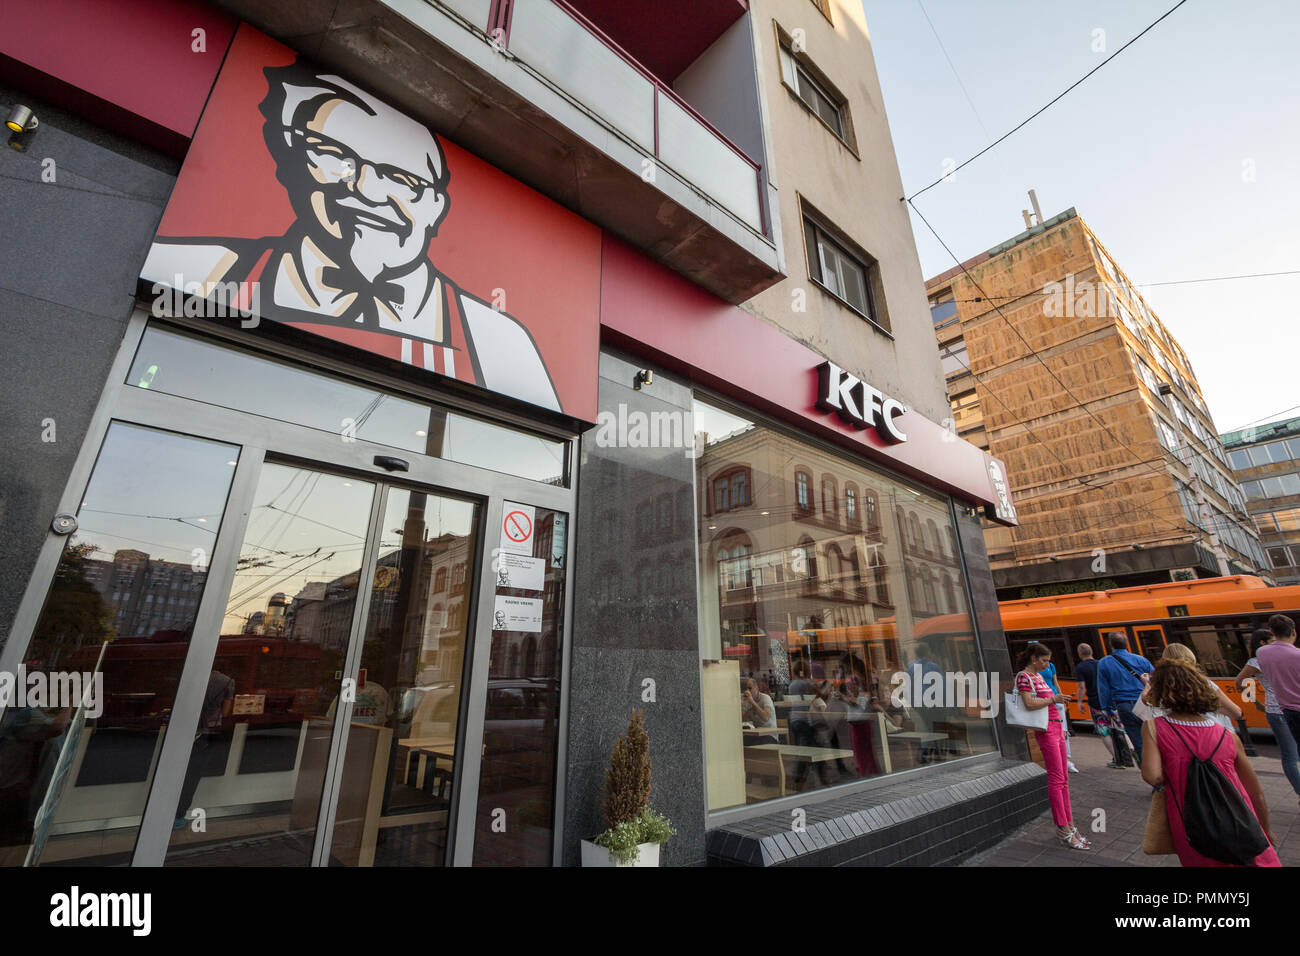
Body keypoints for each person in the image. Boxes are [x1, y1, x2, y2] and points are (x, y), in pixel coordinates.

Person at [142, 62, 561, 412]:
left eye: (402, 178)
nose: (367, 190)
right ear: (290, 165)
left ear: (437, 207)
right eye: (335, 157)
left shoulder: (500, 341)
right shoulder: (195, 271)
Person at [1140, 658, 1279, 867]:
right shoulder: (1228, 736)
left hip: (1190, 819)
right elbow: (1255, 793)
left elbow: (1152, 776)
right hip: (1239, 817)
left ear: (1160, 692)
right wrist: (1265, 829)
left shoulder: (1154, 728)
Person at [1016, 643, 1089, 850]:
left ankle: (1070, 824)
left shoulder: (1039, 676)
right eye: (1044, 660)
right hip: (1046, 730)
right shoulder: (1024, 676)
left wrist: (1061, 722)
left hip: (1056, 727)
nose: (1047, 665)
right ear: (1034, 659)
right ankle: (1062, 827)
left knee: (1064, 778)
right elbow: (1029, 703)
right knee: (1057, 779)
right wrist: (1054, 699)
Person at [1237, 628, 1300, 803]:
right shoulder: (1257, 660)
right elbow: (1240, 682)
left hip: (1285, 709)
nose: (1276, 643)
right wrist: (1257, 703)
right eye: (1272, 640)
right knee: (1290, 756)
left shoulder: (1278, 657)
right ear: (1262, 643)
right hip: (1277, 711)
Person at [1143, 643, 1241, 727]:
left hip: (1178, 736)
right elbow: (1236, 713)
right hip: (1212, 734)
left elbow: (1147, 701)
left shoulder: (1160, 687)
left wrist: (1147, 684)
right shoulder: (1204, 683)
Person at [1097, 633, 1153, 763]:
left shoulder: (1104, 663)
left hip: (1124, 705)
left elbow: (1103, 689)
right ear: (1127, 643)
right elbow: (1155, 679)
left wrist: (1108, 709)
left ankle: (1147, 768)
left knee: (1138, 741)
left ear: (1110, 645)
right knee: (1152, 737)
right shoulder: (1141, 660)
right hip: (1145, 703)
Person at [1074, 642, 1128, 768]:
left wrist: (1080, 701)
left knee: (1104, 731)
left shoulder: (1081, 667)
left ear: (1080, 654)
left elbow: (1081, 687)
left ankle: (1118, 759)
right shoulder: (1102, 663)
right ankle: (1128, 752)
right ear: (1091, 651)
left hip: (1095, 702)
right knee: (1119, 727)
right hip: (1110, 700)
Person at [1256, 614, 1300, 760]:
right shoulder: (1297, 655)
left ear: (1272, 632)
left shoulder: (1261, 653)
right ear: (1294, 632)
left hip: (1287, 710)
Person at [1039, 656, 1078, 773]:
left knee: (1064, 731)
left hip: (1056, 700)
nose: (1046, 662)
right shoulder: (1032, 670)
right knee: (1050, 732)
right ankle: (1057, 760)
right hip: (1045, 702)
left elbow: (1056, 683)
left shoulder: (1051, 666)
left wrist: (1062, 698)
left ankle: (1066, 760)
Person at [740, 677, 778, 746]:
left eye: (750, 688)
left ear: (756, 688)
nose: (748, 691)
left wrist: (752, 702)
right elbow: (741, 720)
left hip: (770, 735)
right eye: (746, 689)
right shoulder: (747, 701)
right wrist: (744, 707)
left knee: (756, 744)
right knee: (741, 742)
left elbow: (766, 718)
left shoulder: (765, 698)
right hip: (756, 734)